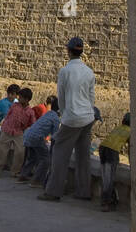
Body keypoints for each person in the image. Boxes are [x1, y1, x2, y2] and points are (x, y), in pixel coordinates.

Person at [39, 37, 97, 202]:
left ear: (69, 51)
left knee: (59, 152)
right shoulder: (89, 72)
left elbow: (61, 97)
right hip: (87, 117)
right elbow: (91, 97)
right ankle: (83, 191)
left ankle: (53, 191)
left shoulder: (65, 71)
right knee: (83, 155)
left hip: (72, 117)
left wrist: (64, 115)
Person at [0, 86, 36, 178]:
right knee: (1, 152)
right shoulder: (14, 106)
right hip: (7, 130)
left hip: (19, 133)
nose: (19, 99)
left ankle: (15, 171)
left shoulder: (30, 112)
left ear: (27, 99)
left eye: (21, 98)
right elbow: (8, 116)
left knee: (20, 152)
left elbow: (32, 123)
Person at [19, 95, 60, 186]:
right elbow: (55, 136)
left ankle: (23, 176)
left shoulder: (48, 114)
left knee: (32, 157)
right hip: (37, 138)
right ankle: (36, 181)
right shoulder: (56, 119)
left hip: (28, 135)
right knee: (45, 160)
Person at [98, 111, 131, 212]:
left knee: (105, 176)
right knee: (110, 178)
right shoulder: (131, 131)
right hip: (112, 151)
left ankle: (107, 200)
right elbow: (131, 149)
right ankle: (106, 203)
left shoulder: (118, 128)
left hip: (102, 148)